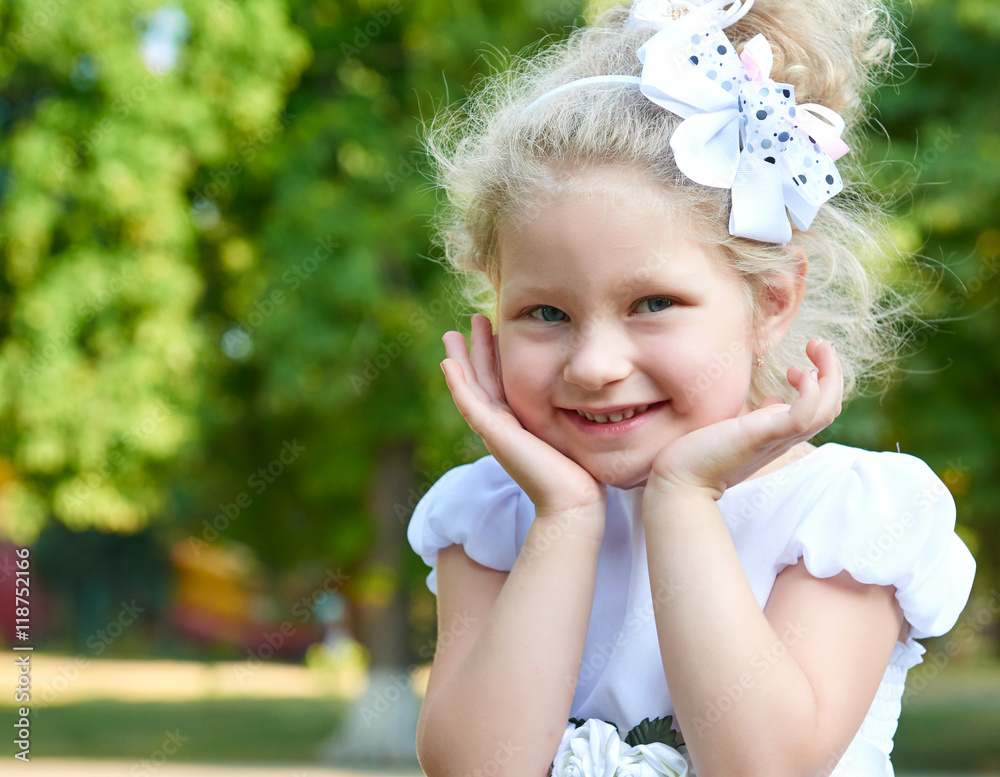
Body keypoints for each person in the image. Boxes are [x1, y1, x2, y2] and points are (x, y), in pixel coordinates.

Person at [406, 1, 976, 775]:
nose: (594, 364)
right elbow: (476, 766)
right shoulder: (496, 518)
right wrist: (566, 518)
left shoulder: (843, 521)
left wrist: (682, 499)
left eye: (652, 304)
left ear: (770, 302)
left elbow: (762, 764)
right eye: (545, 312)